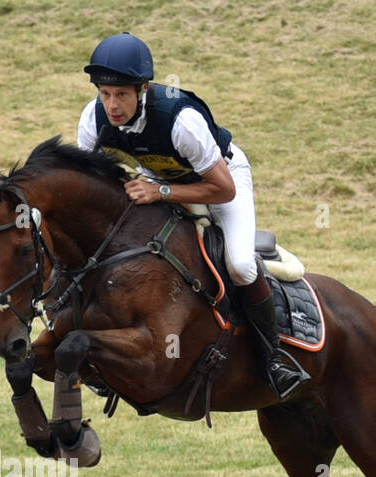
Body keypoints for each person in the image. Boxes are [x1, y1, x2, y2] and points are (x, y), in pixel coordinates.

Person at [77, 32, 309, 400]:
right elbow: (90, 181)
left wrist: (160, 192)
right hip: (163, 181)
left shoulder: (180, 120)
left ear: (143, 88)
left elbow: (224, 189)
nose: (112, 105)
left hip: (222, 180)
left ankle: (274, 360)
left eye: (121, 94)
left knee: (240, 266)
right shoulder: (94, 119)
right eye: (105, 94)